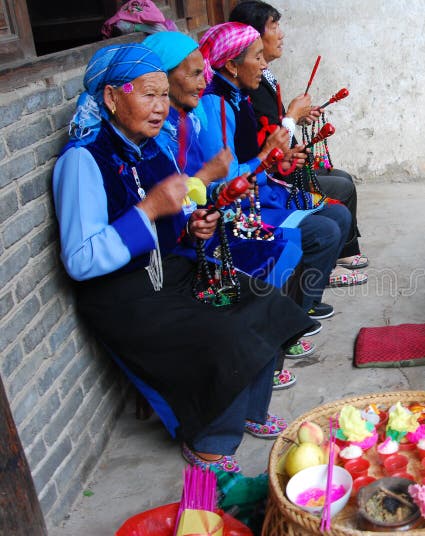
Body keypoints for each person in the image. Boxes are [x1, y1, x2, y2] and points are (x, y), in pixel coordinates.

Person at [53, 44, 315, 472]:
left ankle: (251, 408)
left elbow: (174, 214)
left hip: (168, 271)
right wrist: (151, 209)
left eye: (162, 96)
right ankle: (211, 439)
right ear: (112, 98)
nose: (159, 108)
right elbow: (81, 260)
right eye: (147, 95)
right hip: (125, 294)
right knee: (222, 334)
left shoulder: (151, 148)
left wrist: (192, 226)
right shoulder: (84, 160)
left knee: (262, 301)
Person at [143, 30, 303, 391]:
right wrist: (267, 154)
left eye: (204, 72)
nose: (205, 81)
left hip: (201, 218)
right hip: (178, 243)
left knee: (295, 239)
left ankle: (272, 343)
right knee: (288, 244)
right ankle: (262, 351)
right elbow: (214, 180)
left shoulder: (194, 114)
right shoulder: (200, 111)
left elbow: (203, 185)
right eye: (195, 74)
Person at [196, 22, 351, 342]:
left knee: (337, 213)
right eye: (257, 57)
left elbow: (250, 165)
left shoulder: (238, 97)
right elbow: (224, 180)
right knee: (324, 230)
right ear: (231, 65)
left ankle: (302, 306)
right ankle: (287, 325)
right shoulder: (216, 104)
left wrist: (275, 161)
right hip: (237, 210)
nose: (265, 64)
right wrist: (268, 155)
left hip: (260, 192)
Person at [229, 1, 370, 285]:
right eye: (273, 27)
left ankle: (340, 252)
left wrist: (298, 116)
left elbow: (271, 124)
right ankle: (329, 262)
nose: (280, 34)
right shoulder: (238, 94)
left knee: (341, 180)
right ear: (253, 36)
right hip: (268, 176)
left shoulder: (259, 77)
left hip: (274, 166)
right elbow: (266, 140)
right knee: (341, 188)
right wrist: (291, 115)